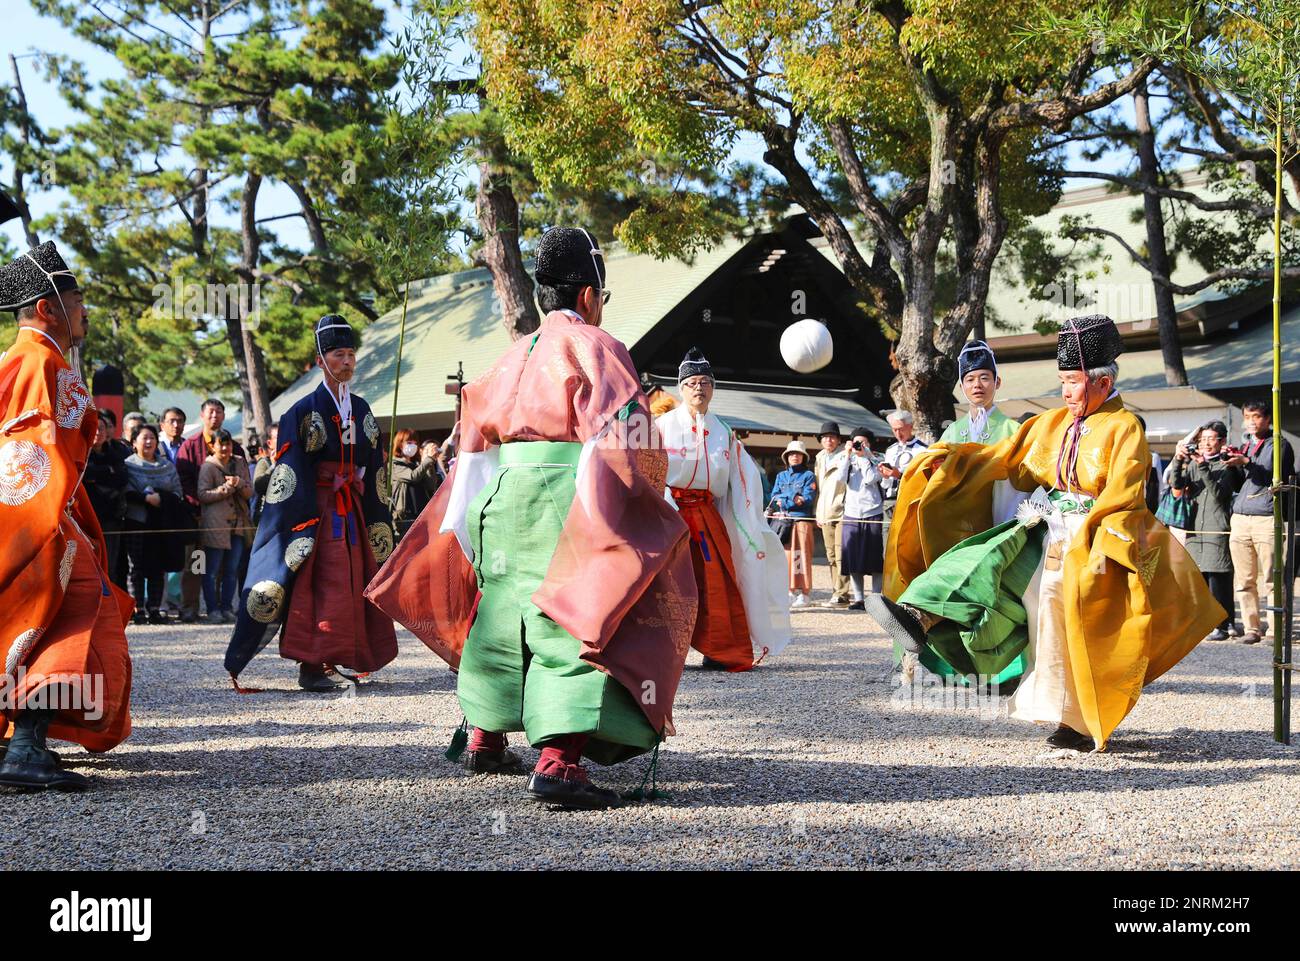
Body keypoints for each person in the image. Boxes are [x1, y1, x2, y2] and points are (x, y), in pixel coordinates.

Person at [366, 226, 699, 810]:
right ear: (589, 296)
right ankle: (558, 762)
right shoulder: (596, 347)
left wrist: (463, 523)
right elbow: (626, 437)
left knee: (499, 612)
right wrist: (646, 506)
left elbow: (470, 441)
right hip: (568, 495)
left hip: (500, 494)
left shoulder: (510, 356)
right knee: (573, 617)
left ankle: (485, 737)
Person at [867, 314, 1224, 752]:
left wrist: (1096, 542)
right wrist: (951, 461)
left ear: (1103, 384)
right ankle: (921, 614)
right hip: (1046, 524)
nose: (1066, 392)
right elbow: (1004, 458)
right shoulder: (1052, 423)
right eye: (1062, 382)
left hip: (1095, 535)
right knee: (983, 559)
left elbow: (1125, 495)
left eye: (1073, 382)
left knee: (1066, 621)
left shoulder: (1124, 428)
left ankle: (1078, 719)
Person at [0, 240, 133, 790]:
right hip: (38, 518)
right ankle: (24, 750)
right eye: (75, 299)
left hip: (31, 516)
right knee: (73, 609)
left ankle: (19, 743)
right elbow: (30, 458)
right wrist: (48, 526)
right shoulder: (41, 362)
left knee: (33, 620)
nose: (83, 309)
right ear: (48, 306)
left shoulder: (16, 359)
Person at [226, 314, 397, 692]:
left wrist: (362, 484)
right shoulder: (300, 411)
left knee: (352, 579)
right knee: (321, 583)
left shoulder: (363, 409)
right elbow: (288, 470)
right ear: (321, 360)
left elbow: (375, 462)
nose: (348, 362)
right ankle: (313, 663)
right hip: (315, 511)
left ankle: (342, 655)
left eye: (352, 354)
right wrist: (306, 511)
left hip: (351, 506)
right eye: (339, 354)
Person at [656, 348, 790, 670]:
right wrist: (663, 507)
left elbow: (744, 480)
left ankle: (718, 649)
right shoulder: (659, 427)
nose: (698, 388)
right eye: (691, 383)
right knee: (667, 582)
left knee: (716, 580)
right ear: (680, 388)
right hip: (667, 514)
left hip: (705, 517)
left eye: (705, 382)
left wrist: (750, 524)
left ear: (713, 388)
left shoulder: (724, 432)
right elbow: (650, 471)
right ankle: (662, 652)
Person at [930, 339, 1030, 691]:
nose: (978, 385)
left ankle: (1005, 673)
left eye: (985, 378)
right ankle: (956, 667)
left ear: (997, 383)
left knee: (999, 595)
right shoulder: (951, 433)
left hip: (1001, 522)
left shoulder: (1013, 431)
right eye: (970, 379)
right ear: (961, 386)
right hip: (959, 528)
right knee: (959, 593)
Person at [1227, 400, 1297, 645]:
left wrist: (1246, 463)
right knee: (1244, 579)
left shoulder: (1280, 444)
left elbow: (1271, 476)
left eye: (1256, 416)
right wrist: (1232, 467)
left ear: (1268, 419)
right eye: (1248, 417)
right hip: (1240, 518)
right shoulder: (1245, 446)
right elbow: (1239, 486)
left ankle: (1275, 630)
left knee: (1271, 577)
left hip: (1267, 518)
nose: (1252, 422)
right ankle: (1251, 628)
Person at [1171, 421, 1242, 642]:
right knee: (1199, 579)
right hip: (1194, 527)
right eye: (1202, 440)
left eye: (1211, 439)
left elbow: (1220, 495)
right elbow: (1176, 485)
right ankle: (1206, 622)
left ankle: (1223, 622)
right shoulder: (1192, 463)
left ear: (1222, 441)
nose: (1205, 444)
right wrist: (1178, 460)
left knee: (1218, 578)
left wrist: (1202, 466)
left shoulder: (1227, 465)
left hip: (1216, 527)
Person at [176, 398, 245, 622]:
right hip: (197, 514)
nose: (214, 416)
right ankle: (191, 607)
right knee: (197, 563)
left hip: (230, 518)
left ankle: (221, 607)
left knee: (226, 566)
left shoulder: (236, 448)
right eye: (210, 413)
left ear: (224, 416)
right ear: (202, 415)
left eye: (219, 412)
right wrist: (198, 505)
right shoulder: (191, 445)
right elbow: (184, 480)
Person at [122, 423, 186, 624]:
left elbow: (178, 492)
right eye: (144, 438)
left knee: (158, 567)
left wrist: (162, 498)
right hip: (136, 522)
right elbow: (125, 491)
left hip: (161, 522)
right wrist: (144, 499)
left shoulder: (167, 466)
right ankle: (137, 608)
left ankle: (156, 609)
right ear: (134, 442)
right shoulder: (127, 465)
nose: (149, 442)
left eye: (152, 438)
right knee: (136, 568)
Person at [198, 428, 253, 625]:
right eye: (220, 443)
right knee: (211, 570)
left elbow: (249, 492)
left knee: (232, 569)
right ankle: (212, 609)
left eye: (228, 443)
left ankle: (227, 607)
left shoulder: (239, 462)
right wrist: (226, 488)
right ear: (212, 445)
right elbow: (202, 495)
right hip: (215, 524)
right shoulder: (208, 467)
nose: (225, 447)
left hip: (237, 523)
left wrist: (238, 483)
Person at [84, 408, 129, 591]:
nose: (98, 432)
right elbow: (86, 475)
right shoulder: (82, 452)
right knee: (89, 563)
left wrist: (98, 476)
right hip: (87, 516)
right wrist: (107, 472)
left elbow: (122, 478)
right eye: (94, 428)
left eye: (101, 428)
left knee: (111, 563)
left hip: (112, 516)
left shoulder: (117, 452)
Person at [840, 427, 885, 610]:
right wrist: (847, 454)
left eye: (863, 442)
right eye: (857, 442)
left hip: (872, 511)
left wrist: (865, 456)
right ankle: (858, 598)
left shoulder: (878, 459)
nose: (860, 445)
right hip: (851, 512)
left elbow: (870, 479)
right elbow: (840, 478)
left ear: (870, 443)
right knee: (853, 558)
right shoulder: (847, 459)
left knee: (875, 558)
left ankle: (875, 598)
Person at [770, 439, 818, 609]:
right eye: (791, 454)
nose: (794, 456)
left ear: (803, 457)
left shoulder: (809, 476)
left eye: (798, 454)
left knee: (803, 556)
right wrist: (793, 498)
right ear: (787, 457)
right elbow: (774, 497)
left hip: (802, 520)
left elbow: (808, 499)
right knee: (786, 557)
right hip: (784, 522)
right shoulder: (780, 476)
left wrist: (785, 499)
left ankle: (805, 593)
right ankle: (789, 592)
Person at [814, 421, 851, 608]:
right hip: (825, 511)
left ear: (838, 440)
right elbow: (820, 488)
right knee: (830, 555)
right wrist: (818, 512)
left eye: (832, 437)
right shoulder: (820, 457)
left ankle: (843, 593)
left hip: (842, 510)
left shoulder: (845, 455)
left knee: (841, 554)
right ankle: (835, 591)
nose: (829, 440)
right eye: (825, 437)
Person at [879, 410, 927, 546]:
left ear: (910, 427)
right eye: (894, 430)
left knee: (908, 545)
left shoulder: (922, 450)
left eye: (901, 429)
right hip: (890, 502)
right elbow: (885, 484)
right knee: (888, 545)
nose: (898, 434)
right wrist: (885, 475)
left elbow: (922, 480)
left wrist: (899, 475)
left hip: (910, 502)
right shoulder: (891, 450)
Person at [386, 428, 439, 538]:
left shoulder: (416, 465)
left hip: (422, 514)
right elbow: (412, 476)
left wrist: (429, 463)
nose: (413, 446)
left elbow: (430, 485)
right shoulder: (394, 464)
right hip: (405, 517)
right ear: (400, 444)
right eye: (409, 443)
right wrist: (428, 460)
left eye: (415, 443)